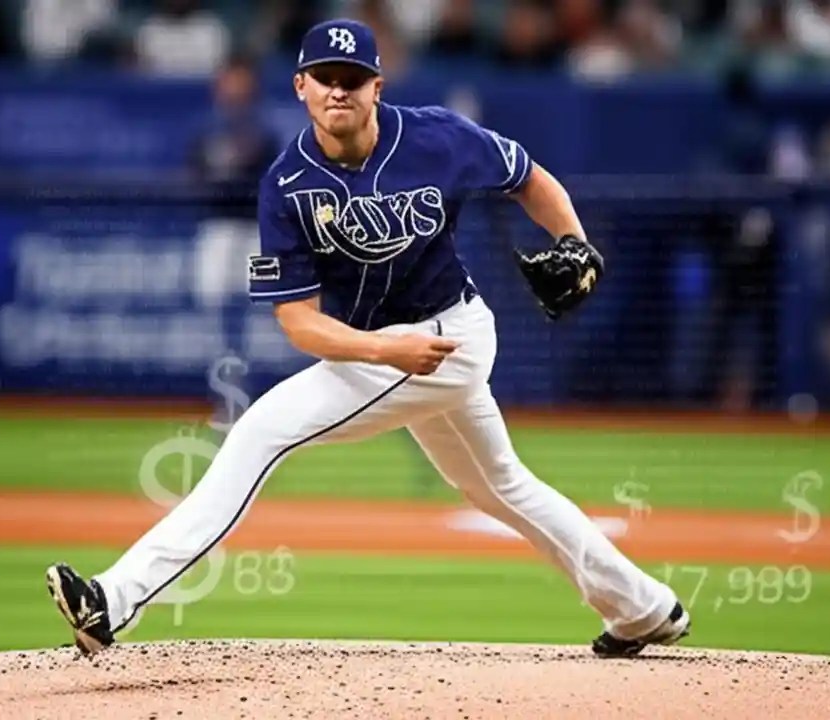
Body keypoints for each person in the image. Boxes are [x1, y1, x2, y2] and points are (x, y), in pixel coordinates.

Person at [46, 19, 690, 659]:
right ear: (301, 85)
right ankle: (643, 608)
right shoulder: (287, 185)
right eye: (326, 78)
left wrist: (574, 242)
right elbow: (297, 321)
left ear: (377, 87)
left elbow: (526, 177)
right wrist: (386, 351)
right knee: (502, 487)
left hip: (451, 334)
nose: (339, 91)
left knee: (259, 433)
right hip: (396, 349)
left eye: (353, 80)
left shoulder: (436, 137)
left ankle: (114, 599)